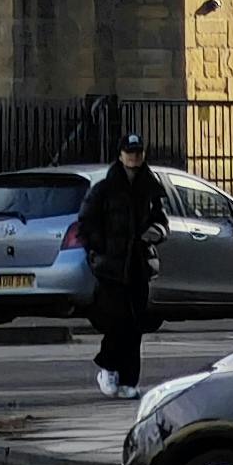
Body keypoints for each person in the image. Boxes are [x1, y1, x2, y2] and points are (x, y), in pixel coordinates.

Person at [77, 127, 170, 397]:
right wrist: (101, 247)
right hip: (112, 268)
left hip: (139, 266)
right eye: (129, 152)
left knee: (136, 326)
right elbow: (86, 222)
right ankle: (107, 368)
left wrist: (156, 232)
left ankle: (129, 381)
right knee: (116, 322)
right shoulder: (105, 188)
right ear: (120, 155)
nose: (134, 157)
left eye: (138, 152)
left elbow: (162, 222)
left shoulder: (150, 187)